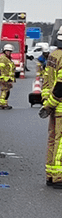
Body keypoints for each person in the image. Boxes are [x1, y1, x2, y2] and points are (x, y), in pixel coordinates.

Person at [41, 30, 62, 187]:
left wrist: (46, 104)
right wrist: (51, 104)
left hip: (53, 108)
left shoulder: (53, 56)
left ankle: (50, 174)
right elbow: (60, 87)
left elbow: (46, 82)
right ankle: (58, 177)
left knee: (52, 140)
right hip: (59, 106)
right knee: (60, 143)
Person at [0, 44, 16, 109]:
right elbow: (0, 68)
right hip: (4, 78)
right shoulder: (3, 59)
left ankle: (4, 103)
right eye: (7, 51)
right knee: (4, 91)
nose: (8, 52)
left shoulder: (8, 59)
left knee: (7, 91)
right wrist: (2, 77)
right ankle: (2, 104)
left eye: (10, 51)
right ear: (4, 51)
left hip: (7, 78)